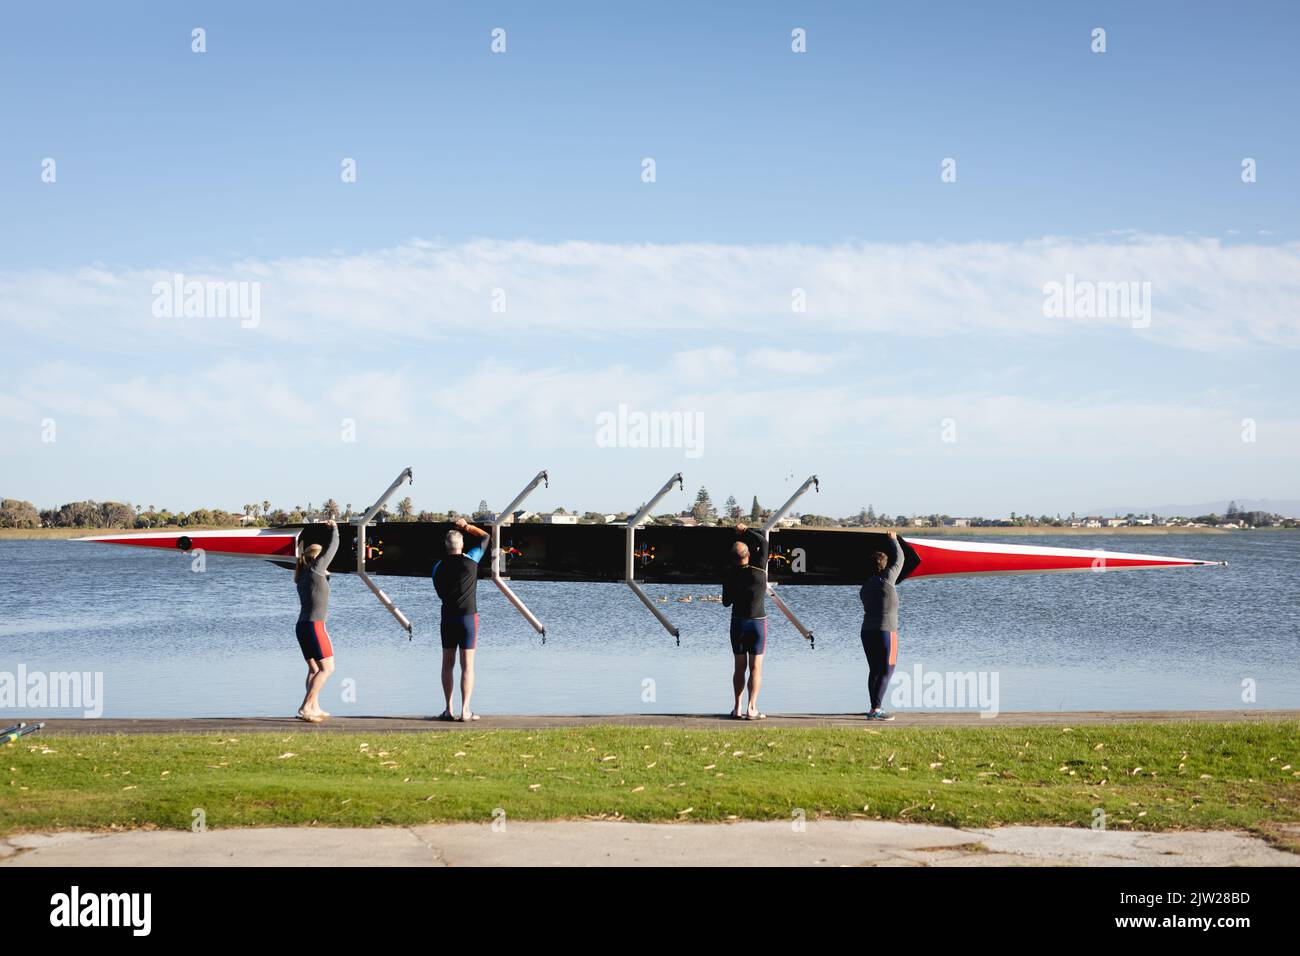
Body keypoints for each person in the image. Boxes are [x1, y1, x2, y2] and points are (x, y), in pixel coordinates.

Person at [432, 517, 490, 721]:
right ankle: (465, 711)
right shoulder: (471, 561)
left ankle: (449, 709)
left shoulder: (438, 567)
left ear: (446, 547)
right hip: (468, 618)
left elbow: (439, 591)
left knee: (447, 664)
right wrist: (466, 526)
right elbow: (485, 537)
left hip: (448, 616)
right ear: (462, 545)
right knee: (468, 665)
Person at [721, 523, 768, 719]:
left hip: (738, 623)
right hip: (757, 623)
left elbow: (725, 603)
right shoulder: (759, 569)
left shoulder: (730, 575)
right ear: (749, 554)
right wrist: (746, 531)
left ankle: (737, 707)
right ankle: (752, 708)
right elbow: (763, 542)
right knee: (756, 667)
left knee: (739, 667)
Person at [294, 519, 339, 722]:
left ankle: (314, 706)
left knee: (314, 669)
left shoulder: (303, 574)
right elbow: (333, 547)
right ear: (316, 558)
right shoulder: (315, 570)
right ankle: (306, 707)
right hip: (315, 626)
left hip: (302, 626)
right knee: (327, 669)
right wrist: (334, 529)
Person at [860, 531, 904, 720]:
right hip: (886, 631)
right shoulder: (888, 580)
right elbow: (900, 559)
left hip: (867, 632)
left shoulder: (864, 587)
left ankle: (873, 708)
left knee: (874, 670)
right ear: (885, 566)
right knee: (887, 669)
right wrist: (893, 540)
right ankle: (876, 709)